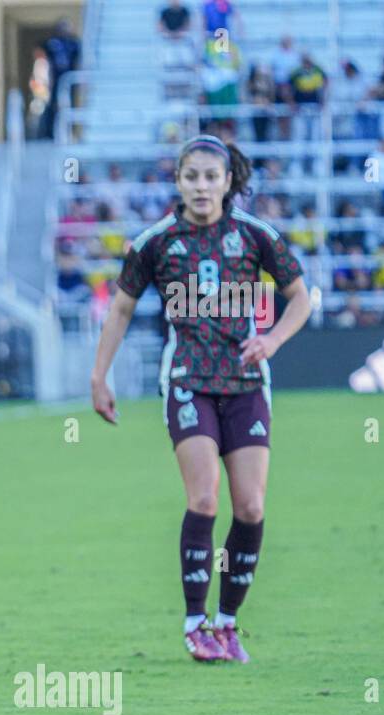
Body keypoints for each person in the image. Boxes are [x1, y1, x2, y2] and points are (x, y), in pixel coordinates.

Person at [89, 134, 312, 663]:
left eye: (211, 177)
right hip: (188, 380)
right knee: (205, 498)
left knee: (252, 505)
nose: (202, 186)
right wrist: (100, 376)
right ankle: (195, 623)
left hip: (247, 384)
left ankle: (228, 622)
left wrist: (273, 339)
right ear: (179, 181)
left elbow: (302, 296)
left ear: (228, 180)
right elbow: (120, 309)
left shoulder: (256, 236)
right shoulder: (156, 242)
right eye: (192, 176)